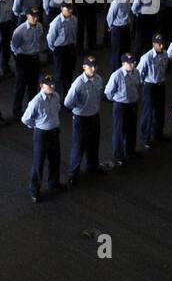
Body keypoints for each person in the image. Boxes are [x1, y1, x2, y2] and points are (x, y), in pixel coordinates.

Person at [64, 55, 106, 185]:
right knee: (78, 147)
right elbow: (68, 102)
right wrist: (79, 108)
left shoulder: (99, 79)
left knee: (94, 143)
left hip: (94, 116)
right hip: (81, 119)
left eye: (95, 66)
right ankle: (73, 174)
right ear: (84, 67)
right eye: (90, 66)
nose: (93, 68)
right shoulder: (78, 83)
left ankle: (92, 166)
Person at [22, 74, 64, 203]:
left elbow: (57, 109)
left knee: (55, 159)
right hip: (42, 134)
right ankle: (34, 190)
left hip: (54, 132)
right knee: (38, 162)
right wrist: (37, 127)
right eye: (48, 84)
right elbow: (26, 119)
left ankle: (54, 183)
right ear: (41, 86)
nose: (52, 86)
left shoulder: (56, 96)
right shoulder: (36, 102)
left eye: (53, 84)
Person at [104, 53, 141, 165]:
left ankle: (130, 151)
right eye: (129, 63)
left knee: (132, 129)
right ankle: (119, 155)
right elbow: (108, 92)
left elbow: (138, 85)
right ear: (123, 64)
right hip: (121, 106)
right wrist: (117, 100)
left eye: (133, 62)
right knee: (119, 131)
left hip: (133, 104)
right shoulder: (116, 75)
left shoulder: (136, 72)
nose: (132, 65)